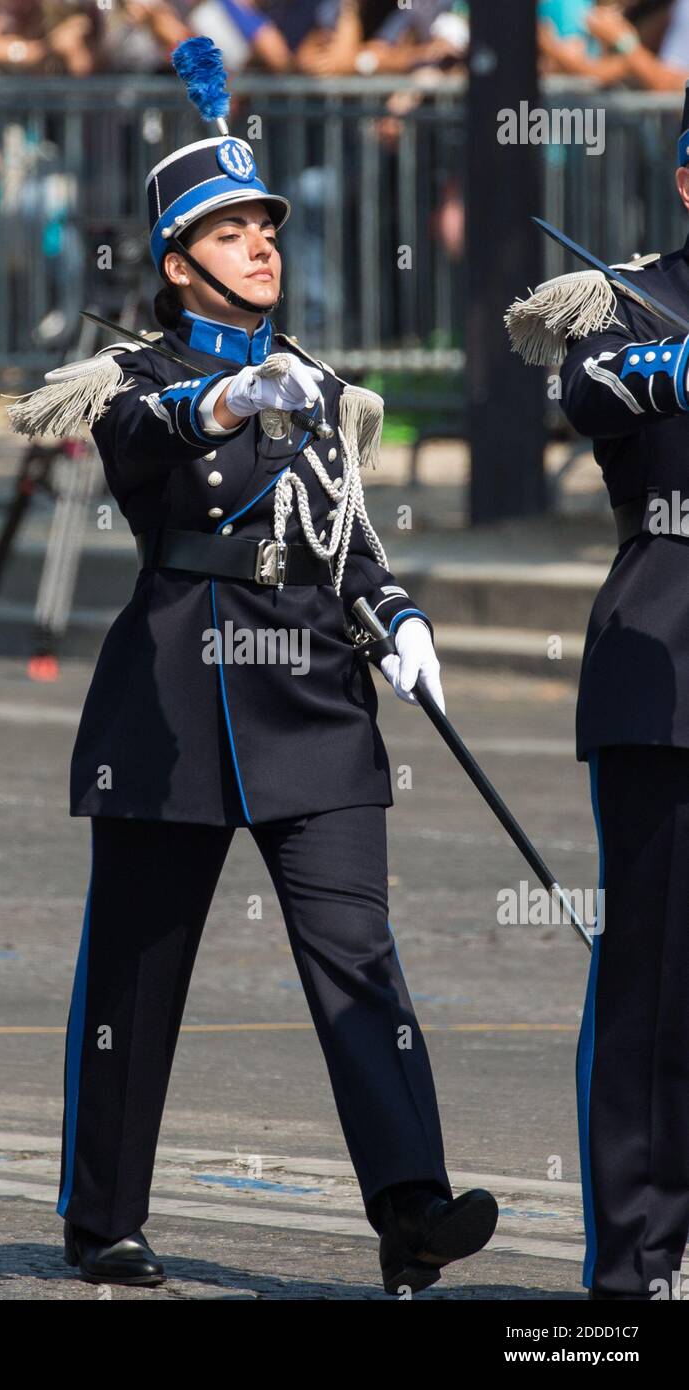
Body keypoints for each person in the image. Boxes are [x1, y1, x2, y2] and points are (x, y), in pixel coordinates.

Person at [7, 36, 498, 1295]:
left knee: (358, 955)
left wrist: (399, 622)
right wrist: (231, 403)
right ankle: (101, 1216)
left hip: (315, 704)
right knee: (138, 967)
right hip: (175, 698)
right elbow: (156, 433)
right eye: (229, 233)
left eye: (264, 226)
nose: (260, 246)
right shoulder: (131, 377)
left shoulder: (323, 388)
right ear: (178, 265)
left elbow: (348, 539)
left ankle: (412, 1209)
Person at [505, 82, 689, 1300]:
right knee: (656, 977)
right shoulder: (624, 299)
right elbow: (587, 391)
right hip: (667, 659)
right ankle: (631, 1263)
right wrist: (677, 366)